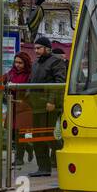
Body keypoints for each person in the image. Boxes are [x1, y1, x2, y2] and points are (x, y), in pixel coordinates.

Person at [28, 34, 67, 177]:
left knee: (48, 136)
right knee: (37, 136)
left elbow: (59, 83)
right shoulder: (36, 63)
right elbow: (31, 81)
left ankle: (64, 160)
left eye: (39, 48)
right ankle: (43, 167)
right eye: (35, 48)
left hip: (49, 105)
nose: (36, 51)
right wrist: (26, 97)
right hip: (37, 104)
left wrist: (52, 100)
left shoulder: (56, 62)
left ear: (47, 48)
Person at [4, 50, 33, 167]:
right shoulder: (11, 73)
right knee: (12, 132)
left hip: (24, 105)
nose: (17, 65)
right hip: (13, 105)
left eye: (20, 63)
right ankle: (29, 147)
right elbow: (4, 81)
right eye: (16, 62)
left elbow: (29, 90)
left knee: (19, 132)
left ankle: (19, 158)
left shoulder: (29, 74)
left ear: (25, 63)